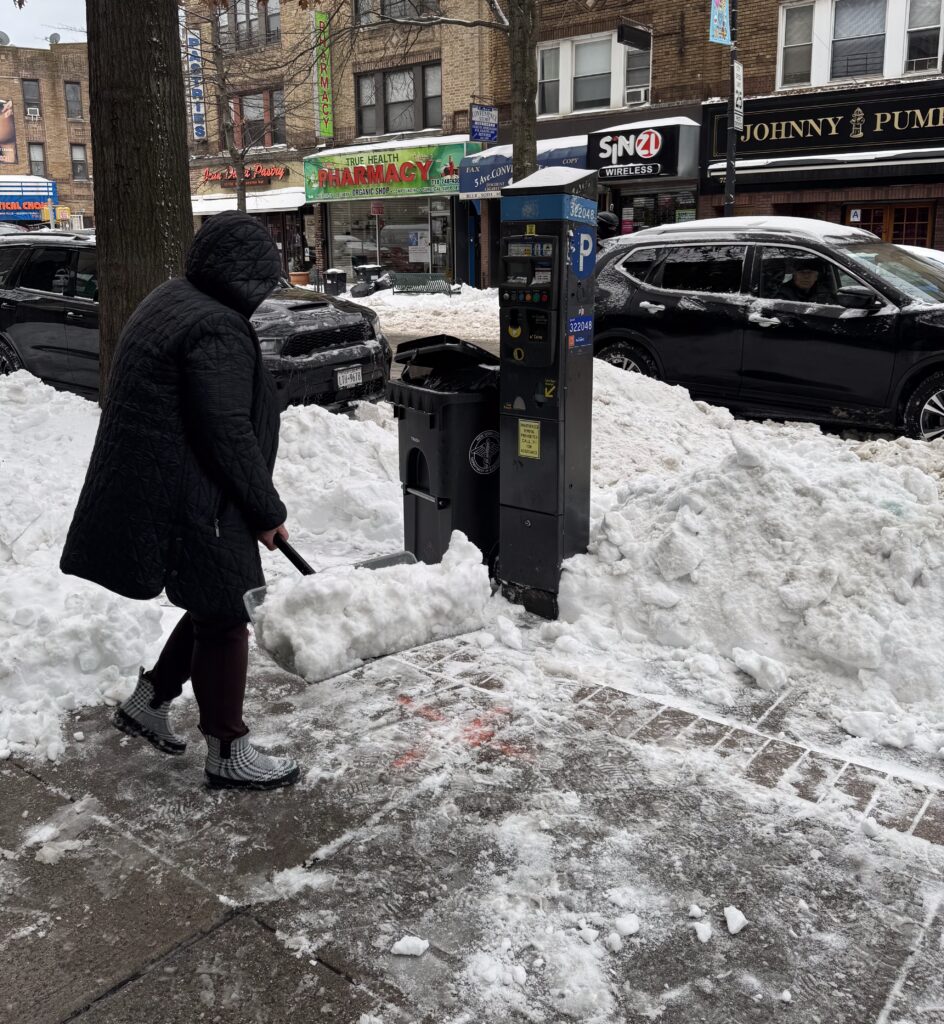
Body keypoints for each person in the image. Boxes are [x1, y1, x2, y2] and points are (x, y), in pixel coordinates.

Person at [60, 211, 299, 792]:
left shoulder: (175, 296)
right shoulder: (216, 326)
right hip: (196, 495)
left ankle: (149, 702)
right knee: (226, 615)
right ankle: (228, 749)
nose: (266, 298)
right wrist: (265, 510)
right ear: (245, 278)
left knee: (210, 599)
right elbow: (226, 431)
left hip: (171, 482)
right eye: (264, 286)